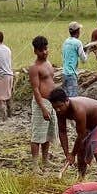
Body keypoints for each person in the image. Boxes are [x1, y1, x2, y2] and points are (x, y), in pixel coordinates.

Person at [50, 88, 97, 185]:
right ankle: (80, 179)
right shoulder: (59, 110)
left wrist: (72, 154)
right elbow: (62, 131)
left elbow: (81, 134)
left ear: (67, 101)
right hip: (89, 123)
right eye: (55, 107)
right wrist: (67, 153)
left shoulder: (78, 110)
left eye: (60, 106)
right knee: (81, 149)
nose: (58, 110)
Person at [27, 35, 56, 172]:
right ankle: (35, 164)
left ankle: (45, 160)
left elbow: (51, 82)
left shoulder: (48, 64)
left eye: (46, 49)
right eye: (41, 50)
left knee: (48, 134)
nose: (44, 52)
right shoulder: (34, 68)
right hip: (41, 103)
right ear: (35, 51)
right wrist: (43, 108)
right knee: (38, 134)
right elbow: (36, 90)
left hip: (51, 102)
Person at [61, 22, 85, 98]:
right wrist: (88, 50)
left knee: (65, 98)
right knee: (73, 99)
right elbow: (84, 59)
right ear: (78, 31)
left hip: (64, 73)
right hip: (72, 74)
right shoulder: (78, 43)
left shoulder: (66, 41)